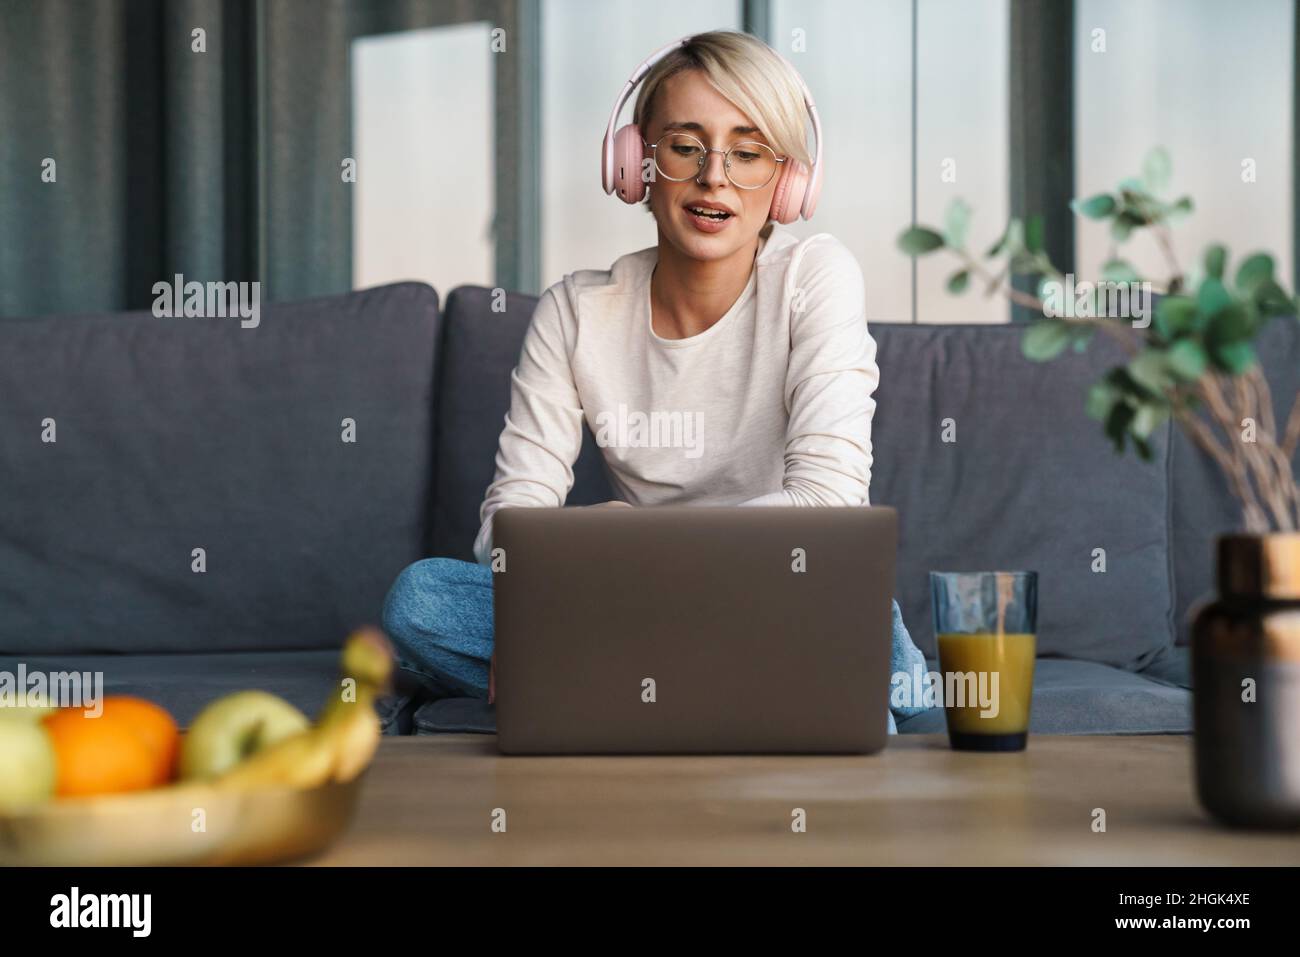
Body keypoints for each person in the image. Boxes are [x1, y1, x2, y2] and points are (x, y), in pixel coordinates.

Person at [383, 30, 931, 733]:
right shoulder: (576, 311)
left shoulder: (814, 277)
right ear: (637, 162)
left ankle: (641, 684)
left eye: (749, 151)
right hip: (628, 601)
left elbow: (826, 505)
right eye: (685, 146)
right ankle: (729, 691)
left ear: (789, 181)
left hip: (783, 591)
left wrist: (634, 539)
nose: (715, 178)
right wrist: (590, 580)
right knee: (420, 600)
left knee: (842, 611)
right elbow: (510, 522)